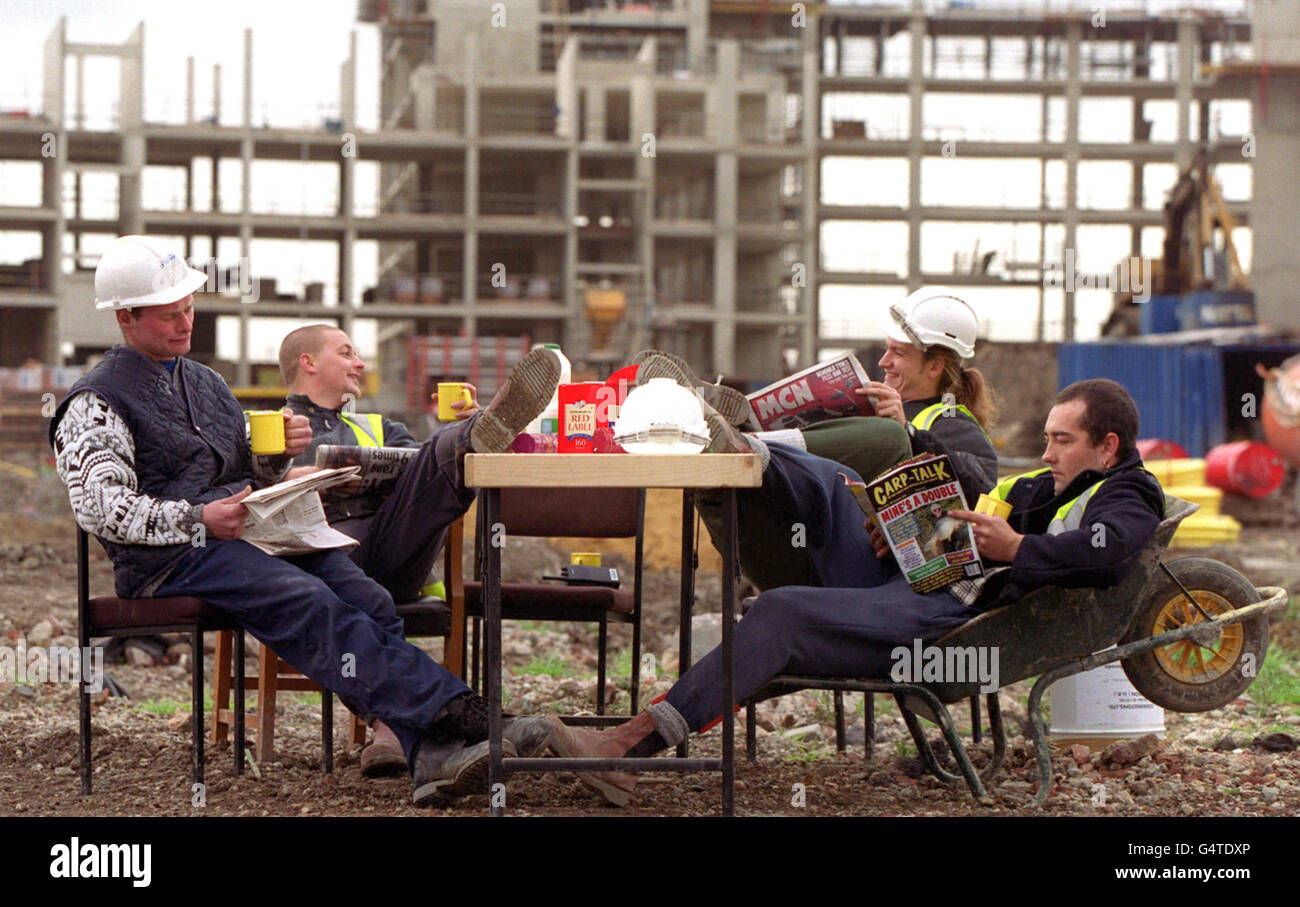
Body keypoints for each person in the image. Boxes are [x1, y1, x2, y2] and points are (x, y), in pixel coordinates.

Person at [49, 236, 563, 806]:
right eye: (170, 314)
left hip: (248, 533)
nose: (185, 322)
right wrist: (196, 517)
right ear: (126, 316)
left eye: (189, 307)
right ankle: (467, 720)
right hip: (174, 555)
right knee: (308, 601)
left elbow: (244, 469)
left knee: (366, 598)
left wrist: (274, 459)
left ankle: (430, 752)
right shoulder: (95, 402)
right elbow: (99, 506)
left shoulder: (206, 384)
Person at [549, 378, 1164, 805]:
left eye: (1063, 440)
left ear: (1107, 446)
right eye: (1050, 437)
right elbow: (978, 525)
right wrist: (906, 529)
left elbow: (1105, 555)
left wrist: (1017, 549)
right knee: (840, 479)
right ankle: (742, 443)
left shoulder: (1127, 493)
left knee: (782, 612)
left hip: (948, 620)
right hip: (929, 578)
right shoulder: (1051, 483)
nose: (1048, 450)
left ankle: (628, 748)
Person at [638, 287, 999, 592]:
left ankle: (748, 442)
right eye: (887, 349)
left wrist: (911, 435)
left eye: (899, 353)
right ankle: (738, 439)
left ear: (935, 366)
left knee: (887, 438)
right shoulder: (878, 407)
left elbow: (983, 491)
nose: (885, 361)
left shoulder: (950, 422)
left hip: (875, 573)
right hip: (807, 552)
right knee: (718, 485)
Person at [275, 323, 510, 776]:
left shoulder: (378, 426)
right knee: (349, 590)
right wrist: (298, 483)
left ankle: (481, 429)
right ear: (309, 363)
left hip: (391, 552)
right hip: (323, 565)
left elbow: (427, 481)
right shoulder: (274, 433)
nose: (360, 363)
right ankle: (389, 727)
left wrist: (458, 434)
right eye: (346, 353)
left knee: (442, 453)